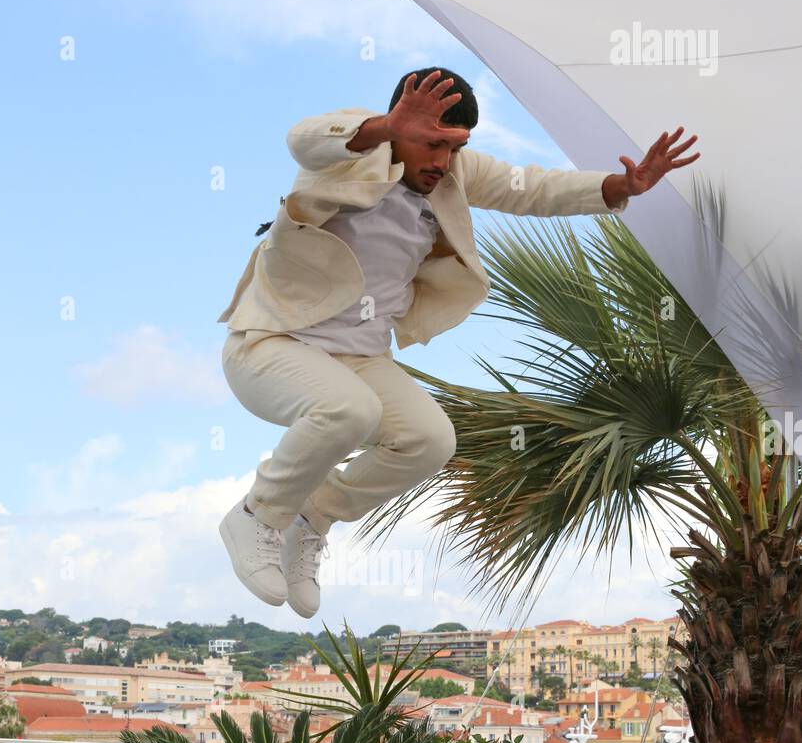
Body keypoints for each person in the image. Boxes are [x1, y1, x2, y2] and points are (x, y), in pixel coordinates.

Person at [217, 68, 699, 617]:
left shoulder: (454, 173)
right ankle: (257, 517)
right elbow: (303, 139)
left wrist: (621, 188)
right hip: (271, 345)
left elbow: (533, 188)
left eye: (455, 147)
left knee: (429, 440)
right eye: (432, 143)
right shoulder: (352, 149)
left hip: (358, 358)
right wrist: (383, 127)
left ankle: (311, 519)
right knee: (347, 410)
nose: (443, 161)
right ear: (397, 125)